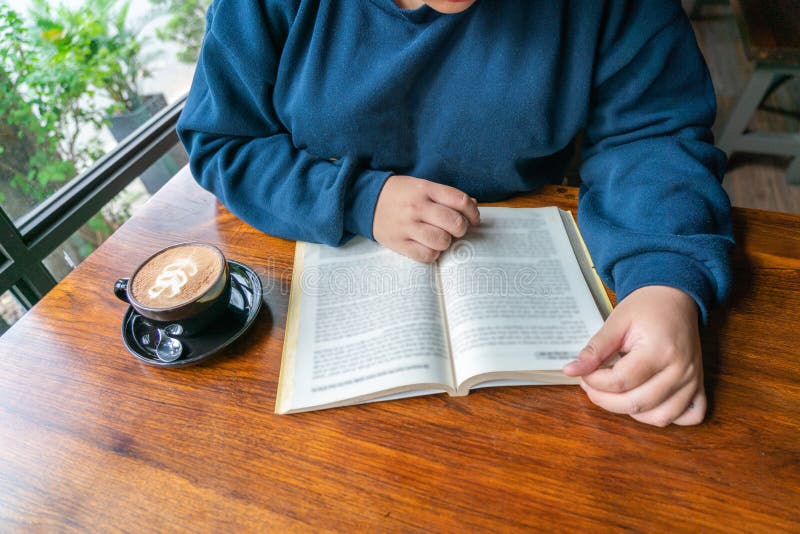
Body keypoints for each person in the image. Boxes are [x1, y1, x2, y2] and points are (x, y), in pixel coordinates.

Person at [177, 0, 734, 427]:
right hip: (306, 294)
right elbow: (225, 138)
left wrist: (665, 279)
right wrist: (354, 200)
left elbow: (651, 135)